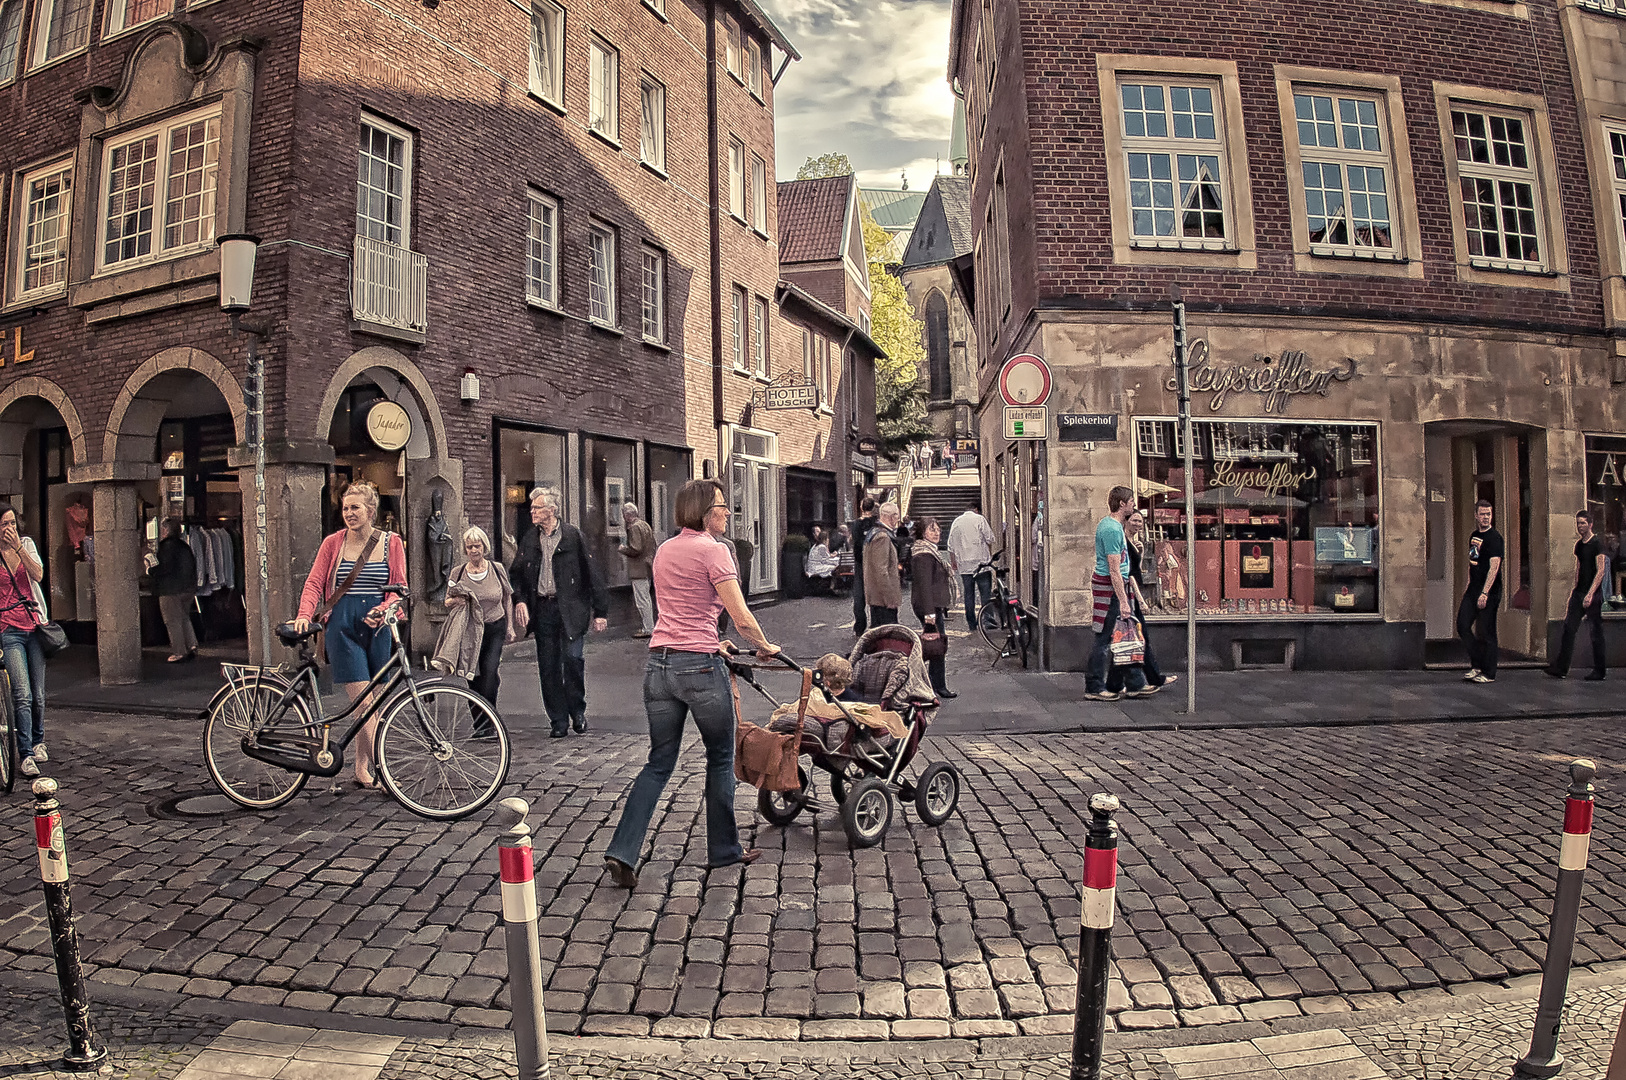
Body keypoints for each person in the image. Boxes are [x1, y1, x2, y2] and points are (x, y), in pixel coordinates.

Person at [604, 479, 780, 888]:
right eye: (721, 506)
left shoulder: (665, 550)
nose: (727, 512)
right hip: (699, 668)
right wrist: (765, 646)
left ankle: (622, 850)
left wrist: (709, 637)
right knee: (720, 757)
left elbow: (679, 610)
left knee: (658, 762)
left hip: (659, 665)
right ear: (703, 511)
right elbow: (741, 615)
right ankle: (724, 850)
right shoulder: (715, 551)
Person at [294, 480, 407, 788]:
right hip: (342, 625)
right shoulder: (333, 543)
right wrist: (305, 614)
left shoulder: (391, 542)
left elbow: (399, 588)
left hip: (377, 627)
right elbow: (315, 583)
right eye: (345, 508)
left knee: (374, 704)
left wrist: (385, 609)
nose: (349, 513)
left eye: (355, 507)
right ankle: (385, 775)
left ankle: (361, 769)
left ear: (371, 511)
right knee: (363, 703)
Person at [510, 486, 609, 737]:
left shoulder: (572, 536)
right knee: (548, 666)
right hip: (543, 609)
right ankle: (558, 720)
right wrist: (520, 600)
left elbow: (592, 572)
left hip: (571, 608)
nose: (531, 512)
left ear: (551, 510)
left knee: (573, 659)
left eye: (537, 508)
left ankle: (577, 710)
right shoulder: (530, 539)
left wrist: (600, 612)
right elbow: (517, 574)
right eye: (531, 508)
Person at [445, 526, 520, 710]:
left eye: (477, 546)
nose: (473, 551)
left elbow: (507, 597)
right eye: (469, 547)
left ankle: (489, 715)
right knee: (474, 675)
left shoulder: (497, 568)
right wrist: (457, 600)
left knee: (490, 670)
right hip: (470, 629)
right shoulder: (458, 572)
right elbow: (447, 601)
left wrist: (510, 627)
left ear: (484, 547)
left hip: (495, 626)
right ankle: (481, 724)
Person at [1085, 486, 1147, 701]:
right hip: (1110, 587)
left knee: (1123, 635)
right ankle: (1094, 686)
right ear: (1122, 503)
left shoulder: (1114, 526)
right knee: (1105, 638)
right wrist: (1123, 601)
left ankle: (1131, 682)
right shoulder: (1111, 529)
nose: (1133, 505)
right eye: (1131, 501)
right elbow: (1114, 568)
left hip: (1114, 585)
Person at [0, 503, 48, 778]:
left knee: (39, 695)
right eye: (4, 525)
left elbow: (38, 575)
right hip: (8, 628)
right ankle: (26, 754)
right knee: (22, 694)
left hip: (33, 625)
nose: (9, 530)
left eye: (12, 524)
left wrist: (18, 548)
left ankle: (39, 739)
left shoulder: (26, 544)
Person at [1111, 509, 1178, 697]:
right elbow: (1128, 575)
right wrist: (1140, 600)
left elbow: (1137, 570)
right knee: (1135, 638)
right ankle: (1141, 680)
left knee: (1133, 638)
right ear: (1126, 521)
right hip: (1130, 595)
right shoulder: (1122, 540)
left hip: (1132, 593)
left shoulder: (1133, 543)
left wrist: (1139, 552)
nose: (1138, 524)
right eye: (1134, 520)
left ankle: (1128, 681)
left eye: (1140, 521)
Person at [1547, 510, 1609, 681]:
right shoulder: (1579, 545)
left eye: (1583, 523)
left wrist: (1590, 594)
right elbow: (1579, 567)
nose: (1580, 526)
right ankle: (1561, 668)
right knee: (1569, 627)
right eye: (1578, 523)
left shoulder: (1597, 543)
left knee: (1595, 631)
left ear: (1590, 524)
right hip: (1579, 592)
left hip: (1593, 594)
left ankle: (1600, 670)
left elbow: (1601, 570)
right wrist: (1576, 589)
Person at [910, 518, 957, 699]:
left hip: (934, 606)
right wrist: (929, 613)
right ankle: (938, 685)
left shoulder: (931, 552)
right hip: (929, 607)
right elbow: (924, 586)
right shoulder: (923, 555)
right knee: (937, 645)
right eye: (932, 530)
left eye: (938, 529)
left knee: (936, 644)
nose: (937, 533)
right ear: (923, 533)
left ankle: (932, 683)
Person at [1458, 499, 1504, 684]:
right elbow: (1473, 563)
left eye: (1488, 514)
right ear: (1476, 515)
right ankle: (1476, 664)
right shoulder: (1474, 536)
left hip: (1489, 591)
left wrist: (1485, 592)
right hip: (1473, 589)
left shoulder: (1495, 538)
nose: (1485, 517)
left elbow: (1494, 567)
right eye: (1482, 514)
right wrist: (1470, 586)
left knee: (1487, 631)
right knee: (1462, 625)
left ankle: (1489, 672)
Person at [153, 517, 198, 663]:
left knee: (172, 620)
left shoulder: (166, 546)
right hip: (188, 588)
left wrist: (150, 570)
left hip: (170, 588)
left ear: (166, 530)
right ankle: (192, 644)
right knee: (184, 617)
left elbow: (165, 568)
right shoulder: (184, 545)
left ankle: (179, 651)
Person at [948, 501, 996, 627]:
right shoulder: (979, 519)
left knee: (969, 594)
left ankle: (971, 622)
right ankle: (988, 620)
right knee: (985, 593)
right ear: (976, 509)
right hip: (981, 564)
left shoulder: (956, 522)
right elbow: (990, 538)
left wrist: (953, 562)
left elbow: (950, 546)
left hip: (964, 564)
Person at [619, 502, 656, 639]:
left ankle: (648, 628)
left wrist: (623, 549)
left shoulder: (634, 528)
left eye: (624, 515)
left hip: (638, 568)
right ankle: (649, 626)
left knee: (641, 599)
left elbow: (636, 548)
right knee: (646, 597)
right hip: (647, 565)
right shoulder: (644, 525)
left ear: (627, 515)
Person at [864, 502, 903, 627]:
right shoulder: (882, 537)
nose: (898, 520)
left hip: (877, 597)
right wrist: (889, 598)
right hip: (882, 600)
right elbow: (881, 570)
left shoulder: (874, 532)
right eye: (897, 516)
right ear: (891, 517)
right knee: (887, 636)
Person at [848, 497, 878, 634]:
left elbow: (855, 542)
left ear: (861, 507)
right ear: (873, 508)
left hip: (860, 562)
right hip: (874, 563)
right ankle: (876, 624)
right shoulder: (876, 523)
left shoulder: (856, 524)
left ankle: (860, 625)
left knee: (859, 596)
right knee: (875, 594)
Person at [805, 527, 839, 591]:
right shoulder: (822, 546)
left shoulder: (816, 545)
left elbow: (824, 557)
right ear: (825, 539)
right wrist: (836, 562)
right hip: (816, 567)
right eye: (827, 538)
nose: (828, 540)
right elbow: (826, 560)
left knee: (834, 567)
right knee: (835, 568)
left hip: (813, 566)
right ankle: (831, 588)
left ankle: (831, 587)